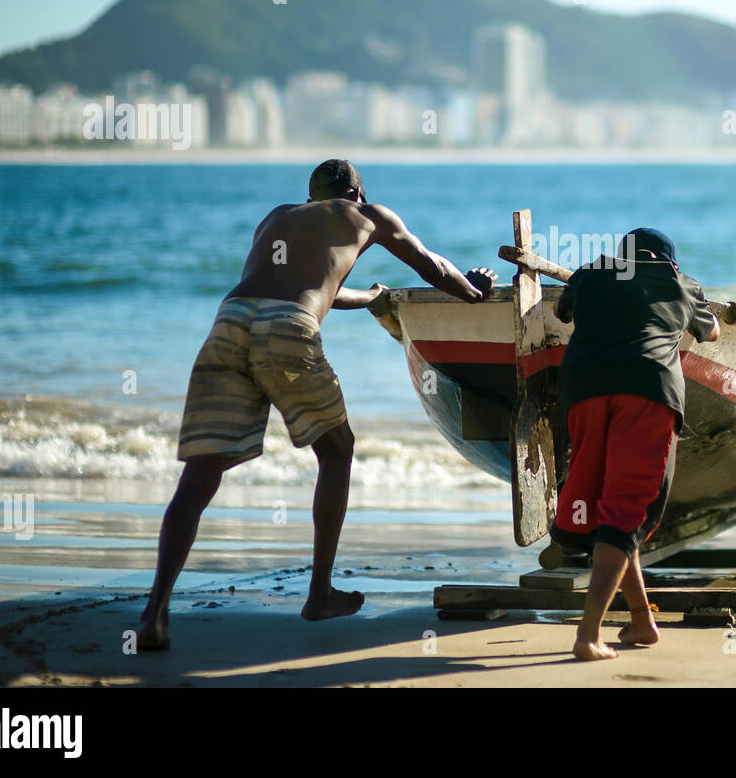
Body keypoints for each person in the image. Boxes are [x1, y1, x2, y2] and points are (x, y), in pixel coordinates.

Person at [136, 159, 497, 649]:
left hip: (229, 320)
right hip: (288, 329)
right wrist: (474, 289)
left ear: (312, 198)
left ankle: (155, 613)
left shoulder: (277, 219)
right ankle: (320, 593)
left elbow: (305, 286)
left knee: (201, 474)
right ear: (358, 195)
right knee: (338, 450)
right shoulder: (370, 216)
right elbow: (431, 266)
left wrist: (369, 297)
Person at [548, 228, 720, 660]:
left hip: (582, 387)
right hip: (647, 389)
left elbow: (562, 311)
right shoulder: (682, 283)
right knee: (626, 509)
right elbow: (711, 332)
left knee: (611, 508)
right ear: (671, 261)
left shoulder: (588, 274)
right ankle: (588, 635)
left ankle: (642, 622)